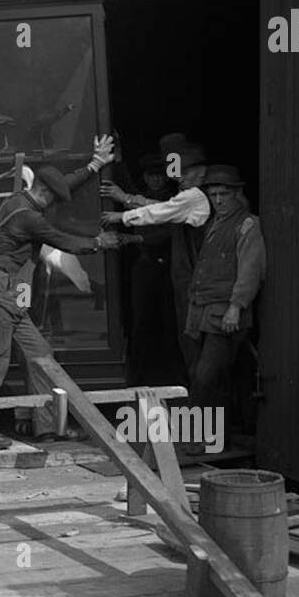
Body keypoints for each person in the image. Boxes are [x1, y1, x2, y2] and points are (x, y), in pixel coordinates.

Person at [0, 136, 122, 450]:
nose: (55, 202)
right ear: (45, 193)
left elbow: (63, 184)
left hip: (10, 293)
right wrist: (99, 242)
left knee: (40, 356)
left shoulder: (18, 199)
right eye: (54, 197)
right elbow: (62, 240)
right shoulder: (28, 217)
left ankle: (47, 428)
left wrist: (94, 165)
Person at [180, 165, 265, 450]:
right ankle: (218, 436)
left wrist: (236, 307)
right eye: (214, 194)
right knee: (210, 378)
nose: (218, 200)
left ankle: (194, 438)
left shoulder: (247, 225)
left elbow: (251, 270)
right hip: (202, 311)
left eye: (224, 194)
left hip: (224, 314)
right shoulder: (214, 223)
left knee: (205, 378)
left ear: (237, 194)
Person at [101, 143, 211, 350]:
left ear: (201, 173)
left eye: (184, 173)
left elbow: (161, 213)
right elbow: (157, 207)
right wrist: (126, 197)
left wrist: (123, 215)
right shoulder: (185, 194)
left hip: (185, 271)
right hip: (172, 270)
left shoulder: (194, 196)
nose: (178, 178)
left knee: (184, 326)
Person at [117, 152, 179, 387]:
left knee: (170, 321)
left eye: (160, 176)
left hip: (168, 266)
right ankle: (138, 377)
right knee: (141, 321)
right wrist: (119, 159)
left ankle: (175, 377)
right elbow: (126, 186)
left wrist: (135, 239)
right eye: (151, 176)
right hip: (145, 265)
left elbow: (168, 231)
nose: (156, 180)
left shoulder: (173, 200)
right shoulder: (140, 196)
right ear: (145, 177)